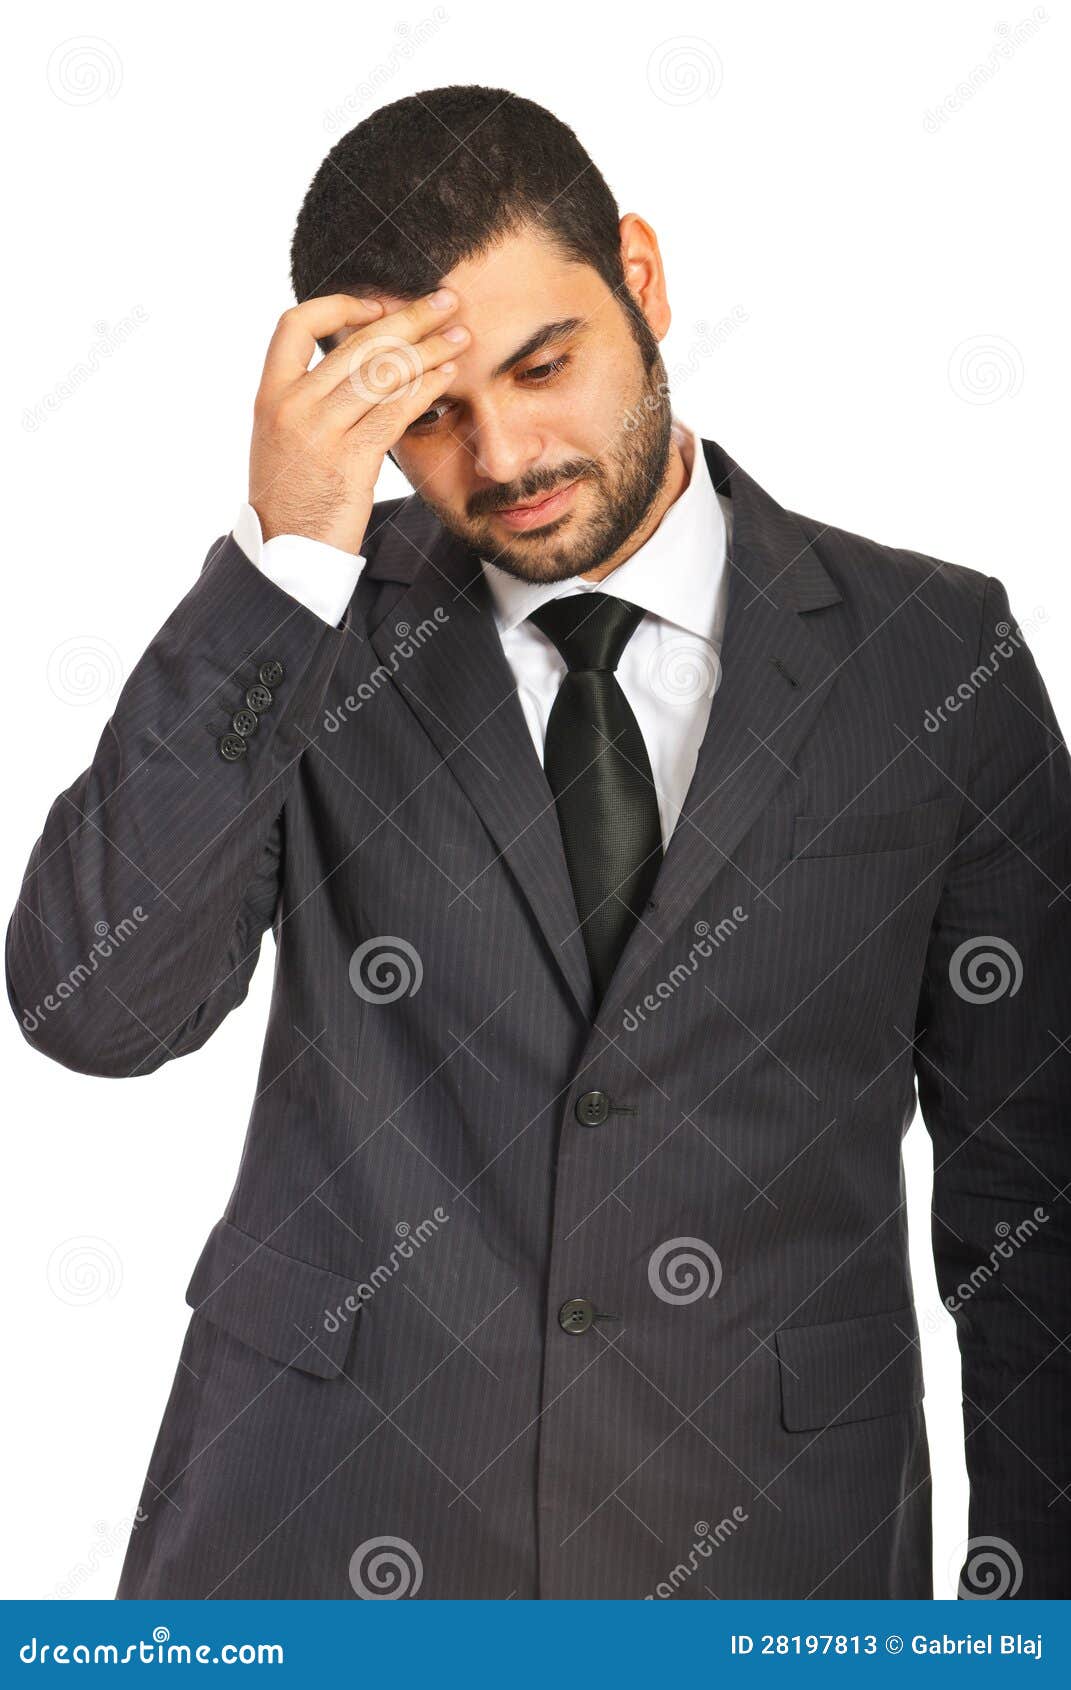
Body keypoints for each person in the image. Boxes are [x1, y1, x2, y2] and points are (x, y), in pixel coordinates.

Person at [7, 84, 1069, 1601]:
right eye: (427, 413)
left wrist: (1032, 1614)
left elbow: (1035, 1199)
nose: (502, 454)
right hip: (310, 1543)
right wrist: (283, 559)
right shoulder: (317, 627)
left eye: (543, 362)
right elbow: (94, 1009)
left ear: (639, 280)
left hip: (770, 1555)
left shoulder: (933, 657)